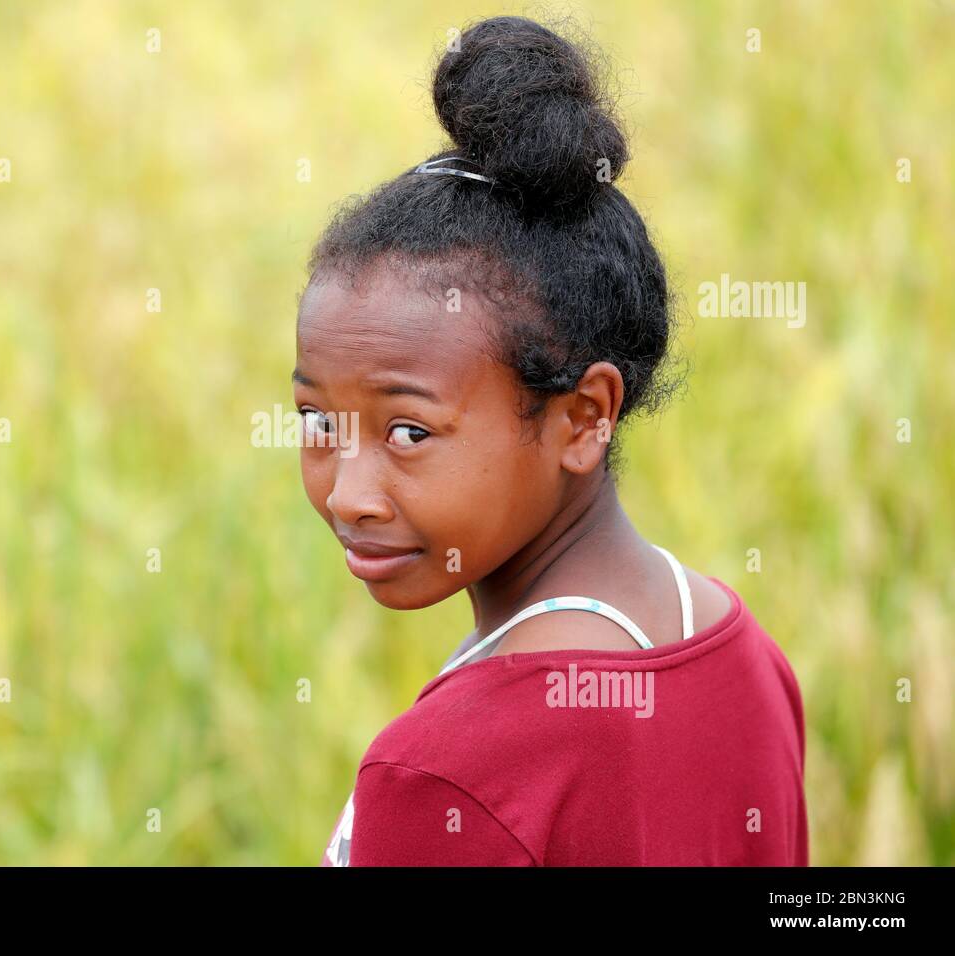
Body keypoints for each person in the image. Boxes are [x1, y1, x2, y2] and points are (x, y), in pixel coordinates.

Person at [296, 15, 808, 866]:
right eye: (319, 422)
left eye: (410, 431)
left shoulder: (444, 775)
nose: (349, 492)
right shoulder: (745, 658)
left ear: (583, 418)